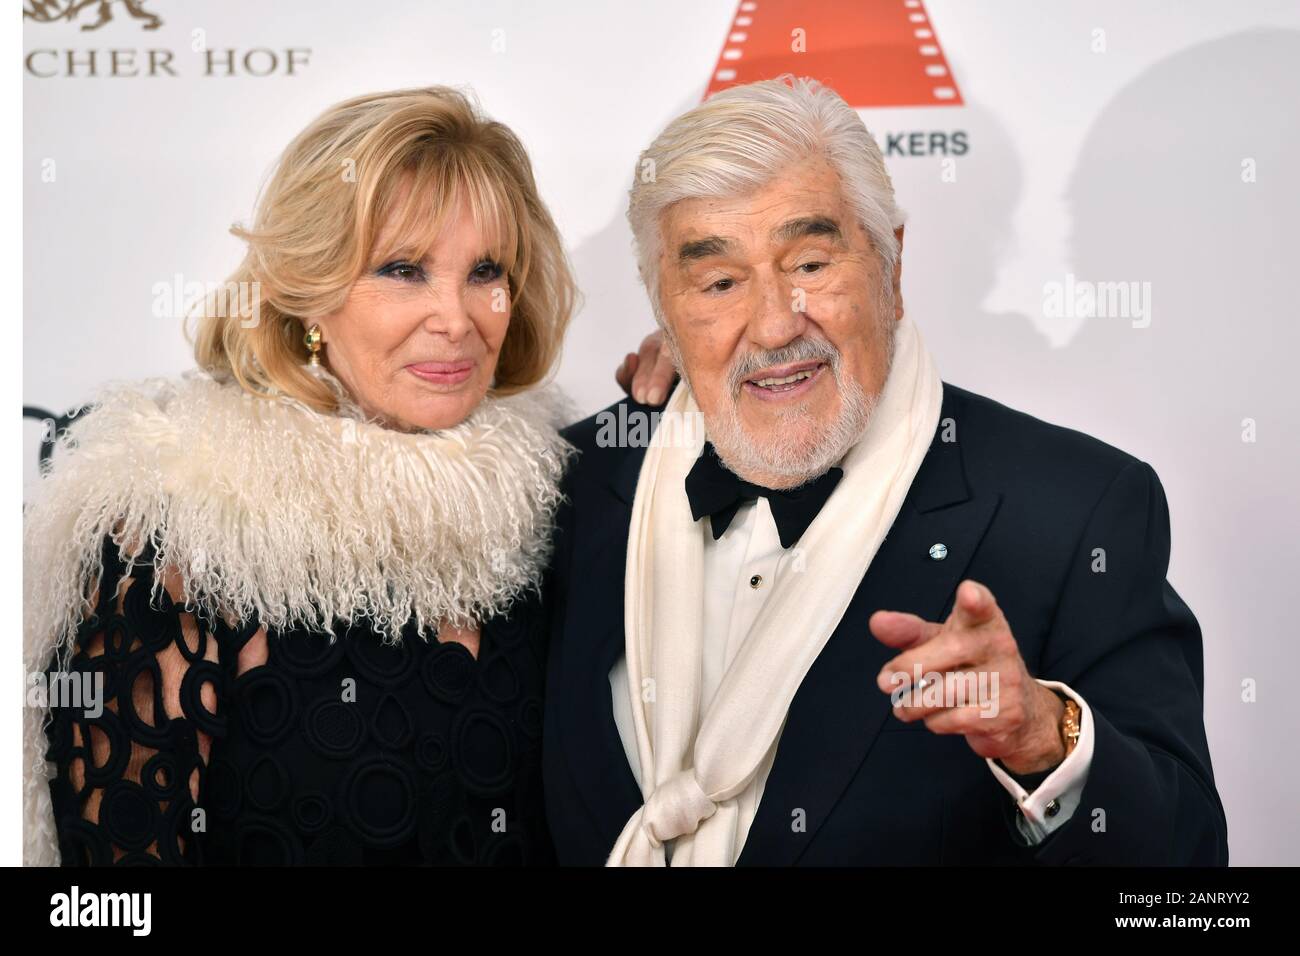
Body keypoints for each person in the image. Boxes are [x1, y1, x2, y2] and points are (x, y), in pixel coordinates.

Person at [543, 76, 1229, 866]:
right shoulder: (576, 484)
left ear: (892, 267)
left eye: (810, 261)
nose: (773, 325)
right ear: (665, 305)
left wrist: (1045, 742)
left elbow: (1189, 882)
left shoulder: (1072, 510)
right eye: (720, 282)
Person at [22, 85, 674, 866]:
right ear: (308, 295)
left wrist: (707, 366)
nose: (457, 317)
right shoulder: (171, 541)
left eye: (486, 271)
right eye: (403, 269)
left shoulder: (557, 508)